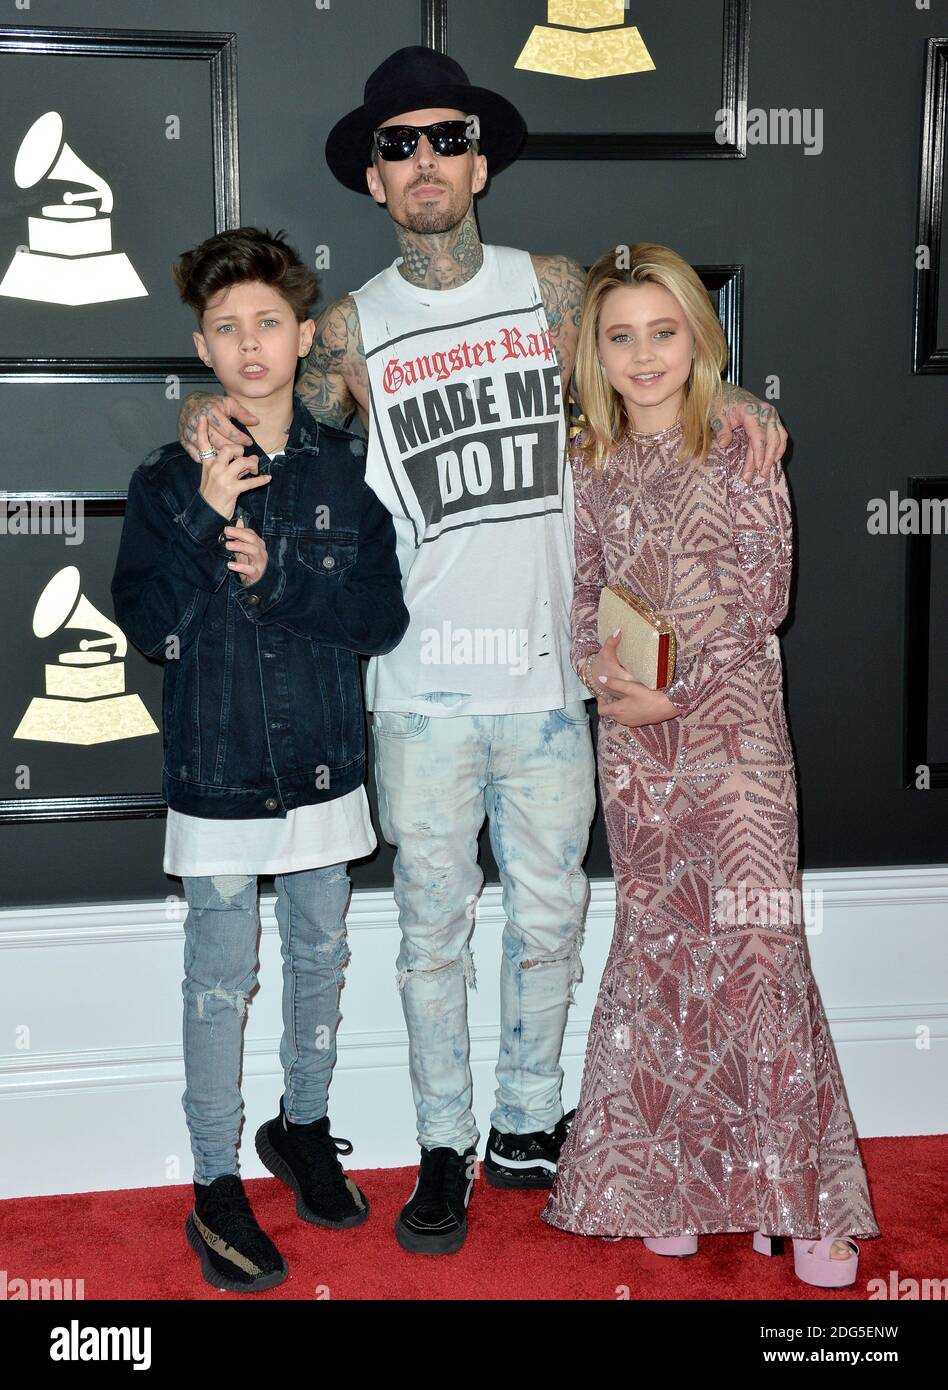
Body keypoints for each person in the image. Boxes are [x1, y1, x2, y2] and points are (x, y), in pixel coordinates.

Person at [173, 47, 788, 1257]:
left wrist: (743, 408)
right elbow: (260, 404)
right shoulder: (345, 329)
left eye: (444, 138)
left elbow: (651, 372)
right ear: (372, 178)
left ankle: (524, 1123)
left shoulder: (555, 289)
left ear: (481, 158)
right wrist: (203, 417)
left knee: (553, 917)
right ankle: (443, 1145)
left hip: (558, 686)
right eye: (397, 146)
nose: (423, 162)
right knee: (434, 934)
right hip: (417, 694)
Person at [540, 243, 879, 1288]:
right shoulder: (587, 457)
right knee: (660, 957)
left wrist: (672, 695)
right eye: (621, 335)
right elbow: (583, 592)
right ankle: (670, 1182)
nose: (644, 355)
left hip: (733, 750)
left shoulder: (737, 440)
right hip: (635, 752)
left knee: (759, 958)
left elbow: (761, 600)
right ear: (596, 351)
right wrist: (605, 677)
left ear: (700, 338)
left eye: (665, 331)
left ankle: (804, 1204)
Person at [111, 226, 409, 1292]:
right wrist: (208, 514)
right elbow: (147, 623)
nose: (249, 344)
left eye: (268, 325)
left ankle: (304, 1124)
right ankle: (211, 1180)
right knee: (218, 980)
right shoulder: (164, 479)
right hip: (220, 771)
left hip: (326, 765)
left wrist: (281, 576)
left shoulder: (345, 474)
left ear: (304, 336)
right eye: (228, 328)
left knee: (323, 957)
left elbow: (379, 618)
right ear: (202, 342)